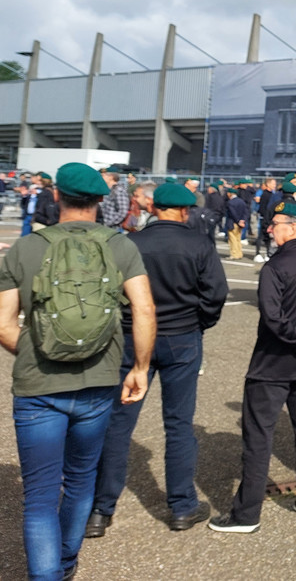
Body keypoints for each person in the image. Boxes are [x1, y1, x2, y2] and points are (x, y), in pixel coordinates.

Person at [0, 162, 156, 581]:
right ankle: (66, 562)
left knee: (40, 496)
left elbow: (0, 323)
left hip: (37, 387)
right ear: (101, 201)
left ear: (55, 196)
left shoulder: (25, 249)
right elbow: (143, 308)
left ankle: (46, 575)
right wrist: (138, 367)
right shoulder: (122, 247)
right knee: (81, 480)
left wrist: (37, 352)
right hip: (99, 381)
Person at [85, 182, 228, 537]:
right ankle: (181, 506)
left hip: (134, 337)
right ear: (184, 211)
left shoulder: (130, 243)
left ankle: (101, 509)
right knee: (179, 424)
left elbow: (109, 290)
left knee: (118, 424)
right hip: (182, 337)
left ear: (153, 208)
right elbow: (216, 293)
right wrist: (199, 322)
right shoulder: (198, 244)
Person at [210, 202, 296, 532]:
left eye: (276, 224)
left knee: (258, 438)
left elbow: (272, 316)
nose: (270, 229)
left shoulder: (275, 267)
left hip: (271, 366)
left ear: (294, 228)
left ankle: (246, 515)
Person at [225, 186, 250, 260]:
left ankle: (234, 254)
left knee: (232, 239)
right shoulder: (242, 201)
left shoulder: (230, 202)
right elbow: (246, 212)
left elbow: (233, 213)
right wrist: (243, 220)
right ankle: (239, 253)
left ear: (230, 194)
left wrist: (238, 221)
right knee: (238, 239)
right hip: (241, 223)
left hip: (233, 222)